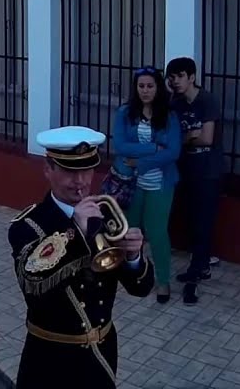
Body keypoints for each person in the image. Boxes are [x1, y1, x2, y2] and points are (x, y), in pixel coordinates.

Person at [9, 126, 154, 388]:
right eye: (69, 171)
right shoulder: (28, 225)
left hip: (100, 356)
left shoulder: (106, 215)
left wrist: (133, 256)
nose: (80, 181)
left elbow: (140, 288)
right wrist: (75, 231)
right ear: (48, 170)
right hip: (50, 360)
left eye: (86, 170)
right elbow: (32, 285)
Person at [109, 65, 182, 303]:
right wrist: (152, 149)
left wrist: (140, 163)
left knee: (157, 232)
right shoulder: (125, 113)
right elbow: (120, 146)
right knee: (130, 229)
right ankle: (133, 275)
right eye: (141, 86)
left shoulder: (168, 116)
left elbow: (173, 152)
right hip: (131, 184)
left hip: (160, 183)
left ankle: (162, 282)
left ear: (158, 88)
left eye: (150, 86)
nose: (145, 91)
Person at [165, 56, 222, 305]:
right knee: (189, 217)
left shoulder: (207, 100)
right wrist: (190, 136)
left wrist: (187, 138)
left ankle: (197, 270)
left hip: (208, 170)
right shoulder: (175, 103)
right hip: (185, 169)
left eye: (179, 76)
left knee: (203, 220)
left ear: (191, 77)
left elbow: (207, 138)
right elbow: (173, 137)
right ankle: (201, 263)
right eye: (171, 77)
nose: (174, 81)